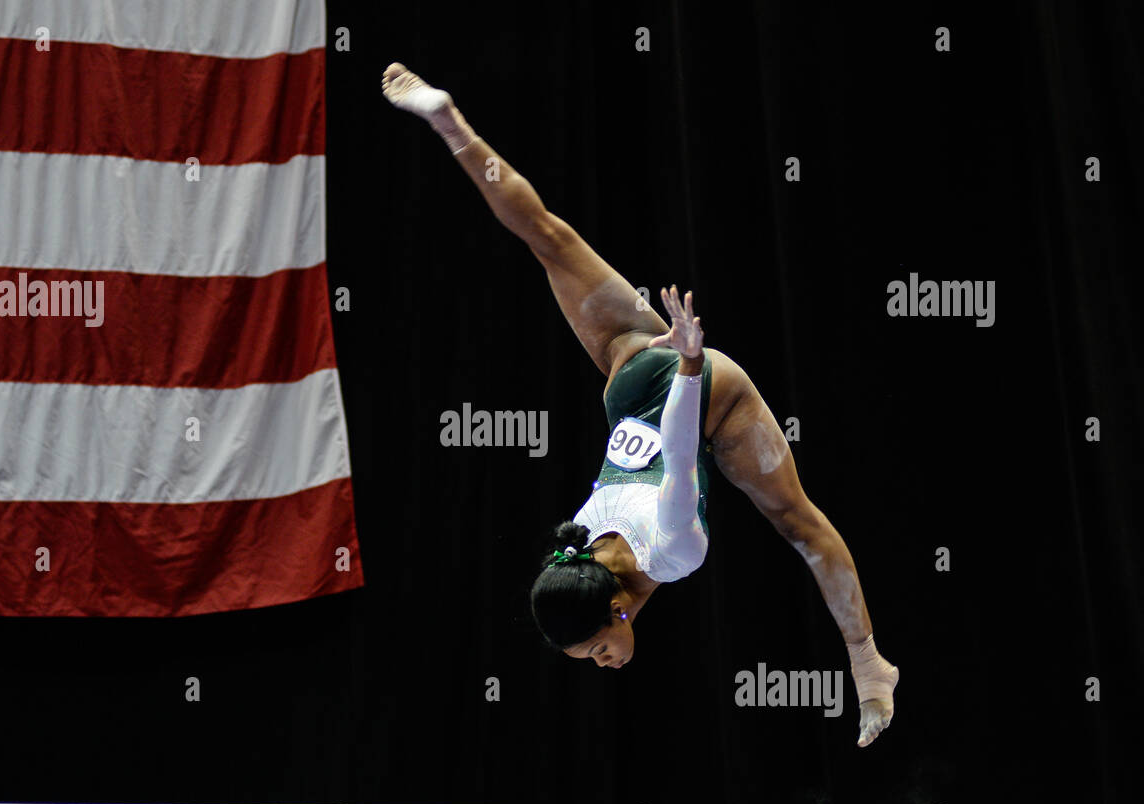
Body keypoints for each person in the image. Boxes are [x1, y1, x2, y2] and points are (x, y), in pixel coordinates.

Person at [382, 63, 898, 747]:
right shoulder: (580, 541)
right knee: (546, 237)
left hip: (706, 388)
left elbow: (684, 455)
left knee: (798, 523)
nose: (604, 665)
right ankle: (452, 125)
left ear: (619, 611)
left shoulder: (672, 552)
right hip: (627, 375)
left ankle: (868, 662)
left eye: (596, 649)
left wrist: (690, 362)